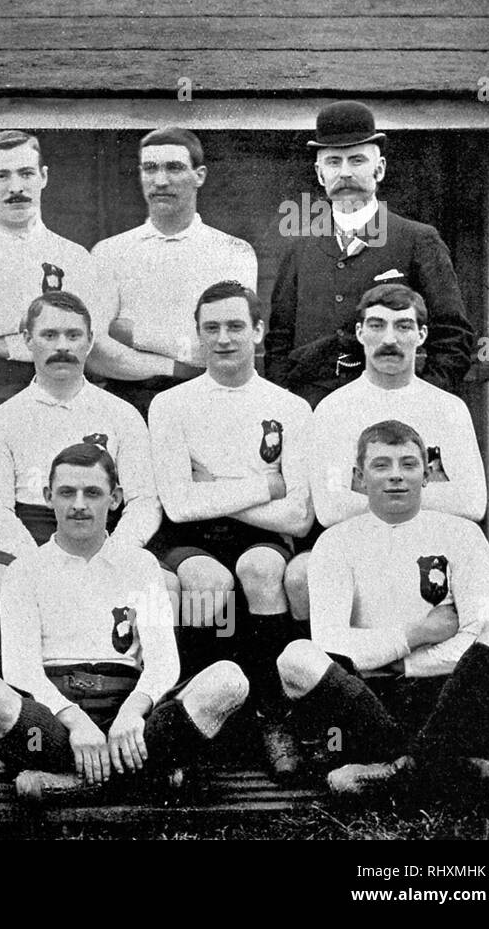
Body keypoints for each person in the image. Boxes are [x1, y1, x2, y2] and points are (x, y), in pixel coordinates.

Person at [0, 443, 250, 803]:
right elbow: (21, 670)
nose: (79, 504)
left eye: (92, 492)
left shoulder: (141, 566)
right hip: (56, 717)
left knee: (229, 680)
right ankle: (142, 778)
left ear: (115, 499)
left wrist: (132, 711)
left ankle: (71, 780)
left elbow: (163, 661)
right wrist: (76, 721)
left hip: (130, 715)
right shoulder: (24, 570)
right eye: (67, 492)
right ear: (48, 497)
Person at [276, 420, 489, 804]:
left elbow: (476, 636)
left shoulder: (462, 534)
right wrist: (416, 635)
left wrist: (401, 663)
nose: (396, 476)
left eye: (408, 464)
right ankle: (442, 766)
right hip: (368, 699)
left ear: (426, 474)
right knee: (295, 658)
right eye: (381, 465)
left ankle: (398, 769)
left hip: (448, 693)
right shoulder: (335, 542)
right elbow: (331, 644)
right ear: (360, 477)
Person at [147, 281, 313, 775]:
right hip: (190, 541)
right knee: (207, 582)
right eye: (211, 328)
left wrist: (213, 487)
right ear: (197, 336)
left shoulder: (290, 407)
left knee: (262, 568)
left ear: (258, 331)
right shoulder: (171, 404)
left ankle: (271, 716)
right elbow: (177, 507)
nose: (224, 338)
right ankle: (201, 715)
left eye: (236, 326)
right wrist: (266, 484)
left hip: (261, 538)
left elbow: (299, 516)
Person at [287, 283, 489, 620]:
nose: (389, 339)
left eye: (403, 326)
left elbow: (472, 502)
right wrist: (423, 490)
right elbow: (331, 508)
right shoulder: (333, 409)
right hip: (360, 543)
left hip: (435, 541)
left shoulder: (448, 408)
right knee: (300, 574)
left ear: (422, 334)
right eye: (377, 325)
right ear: (359, 332)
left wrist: (375, 494)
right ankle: (338, 669)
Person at [0, 290, 164, 673]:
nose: (62, 346)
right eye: (49, 335)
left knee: (165, 587)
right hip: (28, 533)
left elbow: (144, 500)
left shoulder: (122, 414)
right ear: (27, 339)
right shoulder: (1, 419)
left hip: (103, 533)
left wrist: (113, 555)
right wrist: (39, 563)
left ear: (90, 341)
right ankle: (9, 703)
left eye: (74, 335)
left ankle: (148, 703)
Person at [0, 129, 150, 420]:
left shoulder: (74, 256)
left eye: (26, 173)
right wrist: (40, 329)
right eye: (2, 175)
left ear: (43, 176)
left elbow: (84, 339)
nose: (15, 187)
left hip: (58, 389)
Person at [265, 101, 474, 407]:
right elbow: (279, 341)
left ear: (380, 169)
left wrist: (419, 402)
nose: (345, 172)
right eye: (334, 162)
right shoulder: (300, 247)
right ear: (320, 173)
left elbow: (453, 337)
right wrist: (290, 403)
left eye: (357, 160)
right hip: (313, 410)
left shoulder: (418, 239)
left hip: (392, 409)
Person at [92, 127, 258, 418]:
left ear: (200, 175)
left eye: (174, 168)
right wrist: (177, 367)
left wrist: (132, 333)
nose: (160, 181)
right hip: (129, 404)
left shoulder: (233, 251)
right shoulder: (109, 252)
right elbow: (96, 351)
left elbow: (226, 344)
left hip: (208, 403)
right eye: (150, 168)